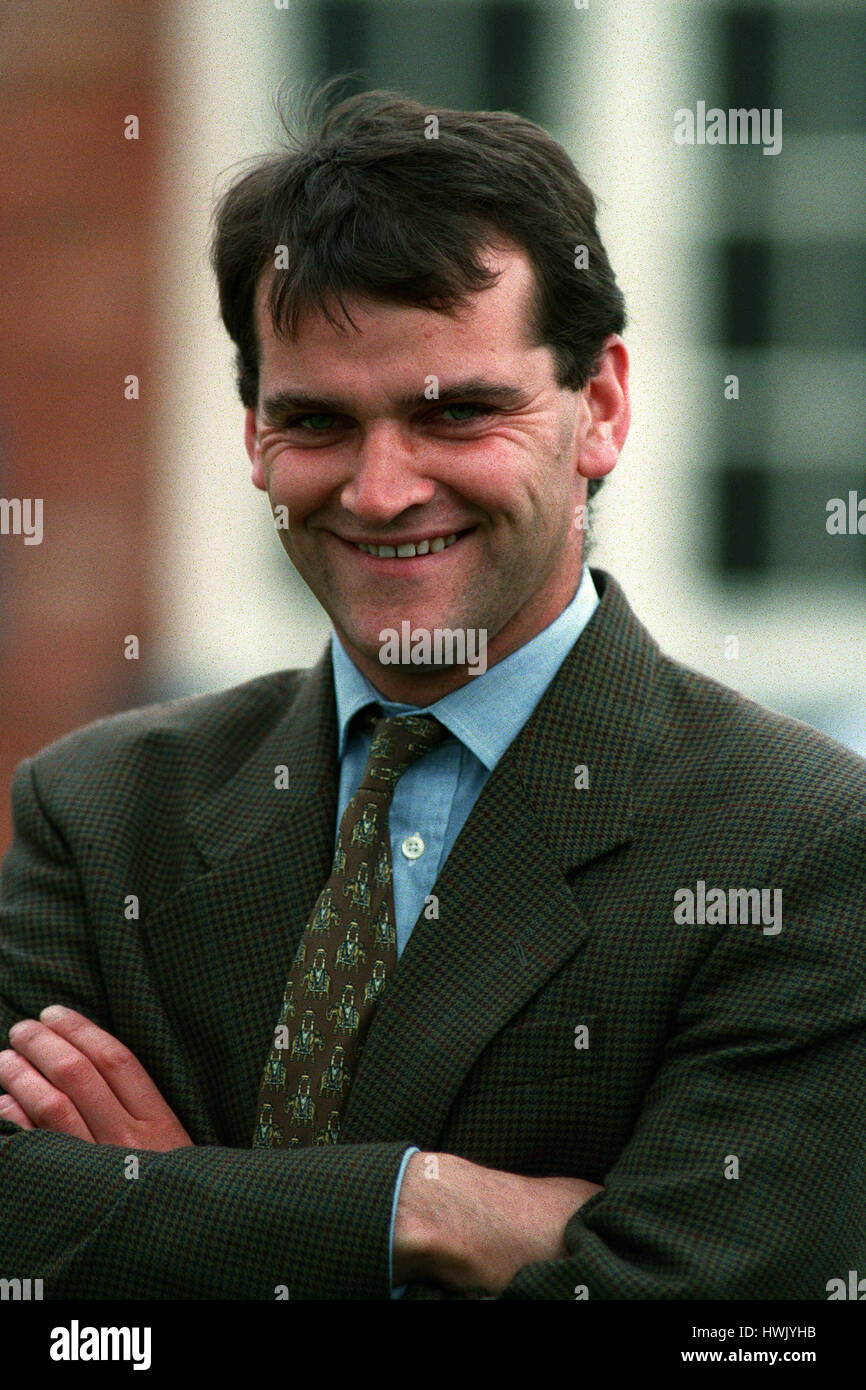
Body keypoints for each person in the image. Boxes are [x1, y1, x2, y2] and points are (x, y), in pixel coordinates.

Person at [1, 81, 864, 1301]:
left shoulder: (801, 844)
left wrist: (173, 1217)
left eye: (454, 412)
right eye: (315, 421)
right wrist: (422, 1209)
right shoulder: (93, 818)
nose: (380, 488)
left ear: (600, 407)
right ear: (252, 436)